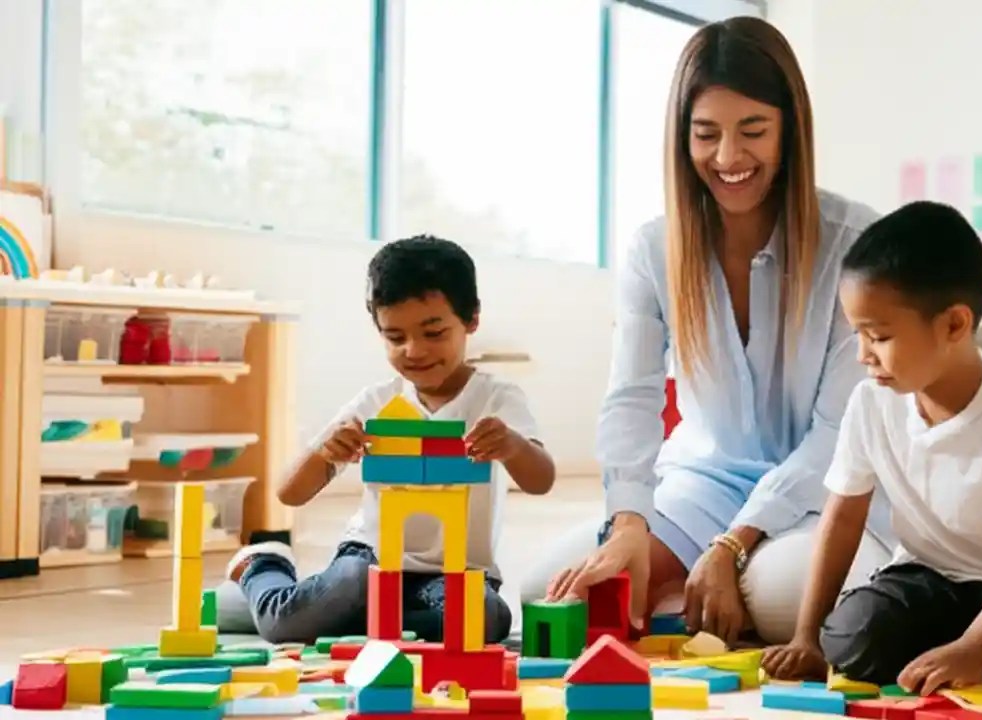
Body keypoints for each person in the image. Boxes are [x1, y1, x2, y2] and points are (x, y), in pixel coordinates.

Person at [521, 16, 895, 646]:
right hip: (703, 485)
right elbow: (633, 400)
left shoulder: (856, 244)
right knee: (547, 595)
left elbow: (837, 435)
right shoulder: (653, 248)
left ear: (789, 132)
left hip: (823, 493)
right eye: (706, 134)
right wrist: (629, 524)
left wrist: (732, 544)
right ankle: (691, 596)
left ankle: (700, 594)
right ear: (682, 138)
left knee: (783, 598)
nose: (727, 158)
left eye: (753, 131)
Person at [761, 201, 982, 709]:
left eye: (880, 336)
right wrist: (806, 636)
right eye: (858, 335)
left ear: (955, 325)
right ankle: (964, 654)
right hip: (927, 579)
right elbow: (843, 515)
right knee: (847, 639)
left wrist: (975, 647)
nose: (864, 354)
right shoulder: (870, 401)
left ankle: (979, 648)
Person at [225, 235, 556, 644]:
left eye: (434, 333)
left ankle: (364, 620)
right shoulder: (377, 401)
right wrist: (326, 450)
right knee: (287, 623)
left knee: (486, 622)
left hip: (458, 570)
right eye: (395, 337)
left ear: (471, 319)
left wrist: (513, 447)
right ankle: (264, 566)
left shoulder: (496, 399)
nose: (414, 351)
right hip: (370, 560)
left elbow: (540, 480)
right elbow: (289, 494)